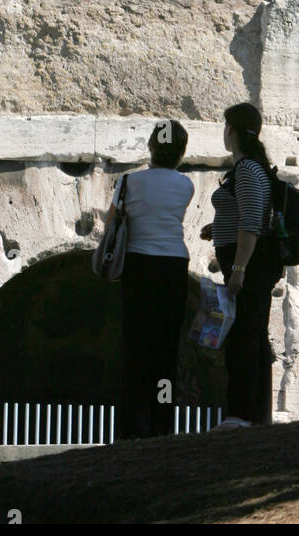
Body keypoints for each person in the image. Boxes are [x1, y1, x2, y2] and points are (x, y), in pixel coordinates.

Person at [102, 119, 194, 439]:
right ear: (181, 152)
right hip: (173, 266)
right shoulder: (186, 185)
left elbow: (111, 222)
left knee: (136, 348)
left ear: (151, 147)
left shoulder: (129, 183)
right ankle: (161, 423)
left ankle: (131, 425)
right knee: (165, 351)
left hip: (139, 266)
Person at [201, 103, 281, 428]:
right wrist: (216, 227)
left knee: (243, 339)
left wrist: (239, 270)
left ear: (232, 131)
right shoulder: (251, 167)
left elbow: (250, 223)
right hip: (250, 264)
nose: (224, 132)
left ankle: (240, 414)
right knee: (253, 336)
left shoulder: (247, 169)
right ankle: (254, 414)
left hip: (249, 267)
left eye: (225, 127)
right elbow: (245, 214)